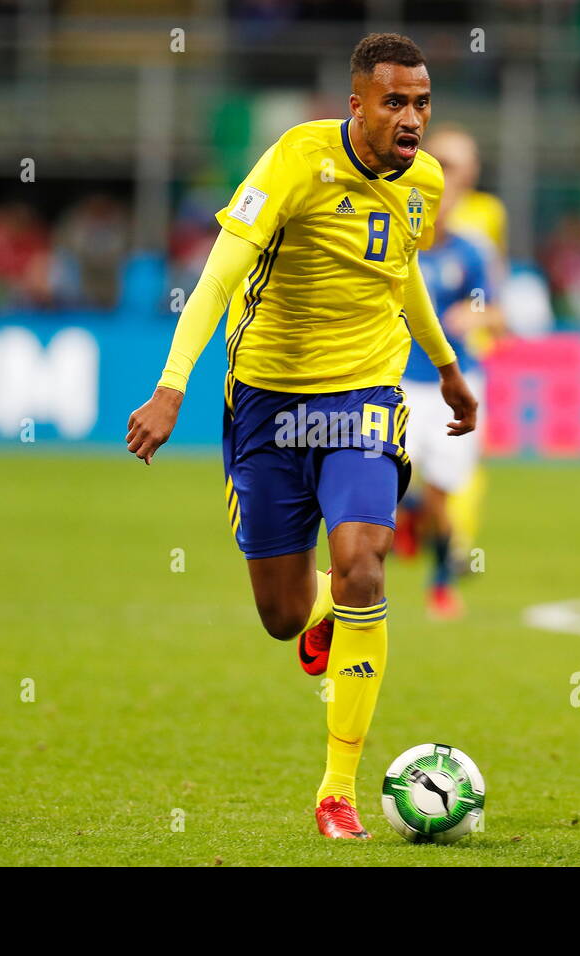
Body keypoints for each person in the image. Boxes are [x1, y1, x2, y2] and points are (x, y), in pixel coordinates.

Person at [125, 33, 478, 839]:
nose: (412, 117)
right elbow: (220, 272)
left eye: (422, 102)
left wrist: (447, 366)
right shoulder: (297, 159)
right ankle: (319, 613)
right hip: (268, 407)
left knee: (364, 566)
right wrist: (172, 386)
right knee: (283, 615)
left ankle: (337, 791)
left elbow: (402, 273)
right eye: (395, 101)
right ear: (356, 104)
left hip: (362, 399)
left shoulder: (421, 183)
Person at [398, 134, 504, 620]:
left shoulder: (473, 251)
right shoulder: (396, 243)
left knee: (441, 491)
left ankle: (440, 580)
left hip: (453, 382)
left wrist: (473, 314)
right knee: (386, 477)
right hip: (397, 378)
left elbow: (496, 312)